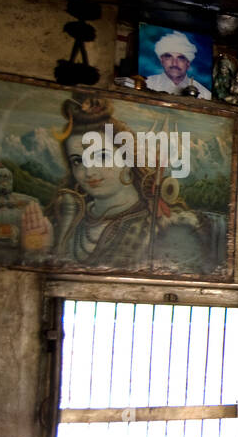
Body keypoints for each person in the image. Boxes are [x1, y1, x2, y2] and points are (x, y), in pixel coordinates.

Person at [20, 92, 212, 272]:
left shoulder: (165, 226)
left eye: (102, 156)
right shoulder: (65, 219)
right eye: (78, 161)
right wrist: (39, 251)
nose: (89, 171)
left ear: (127, 159)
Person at [145, 31, 211, 99]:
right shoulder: (147, 84)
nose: (174, 63)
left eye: (180, 58)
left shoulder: (204, 94)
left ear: (188, 63)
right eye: (169, 57)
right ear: (162, 61)